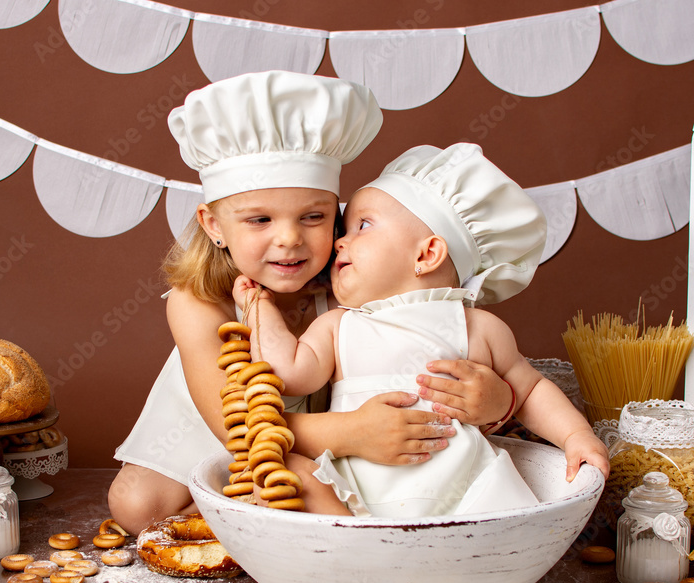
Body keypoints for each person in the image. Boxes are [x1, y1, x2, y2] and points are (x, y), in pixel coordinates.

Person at [107, 73, 515, 535]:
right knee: (137, 505)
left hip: (329, 441)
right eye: (259, 219)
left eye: (313, 217)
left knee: (296, 487)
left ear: (336, 214)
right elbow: (234, 428)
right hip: (225, 429)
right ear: (214, 225)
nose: (289, 239)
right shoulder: (196, 300)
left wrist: (498, 401)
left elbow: (432, 345)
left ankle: (270, 520)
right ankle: (247, 513)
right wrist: (354, 433)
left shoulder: (354, 284)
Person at [233, 143, 611, 517]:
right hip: (356, 498)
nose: (339, 242)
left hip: (466, 498)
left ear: (426, 254)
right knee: (289, 473)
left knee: (508, 515)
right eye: (344, 230)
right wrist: (259, 309)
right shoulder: (338, 325)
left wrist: (575, 436)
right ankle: (360, 546)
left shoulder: (476, 326)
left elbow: (530, 390)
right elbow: (288, 373)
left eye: (362, 225)